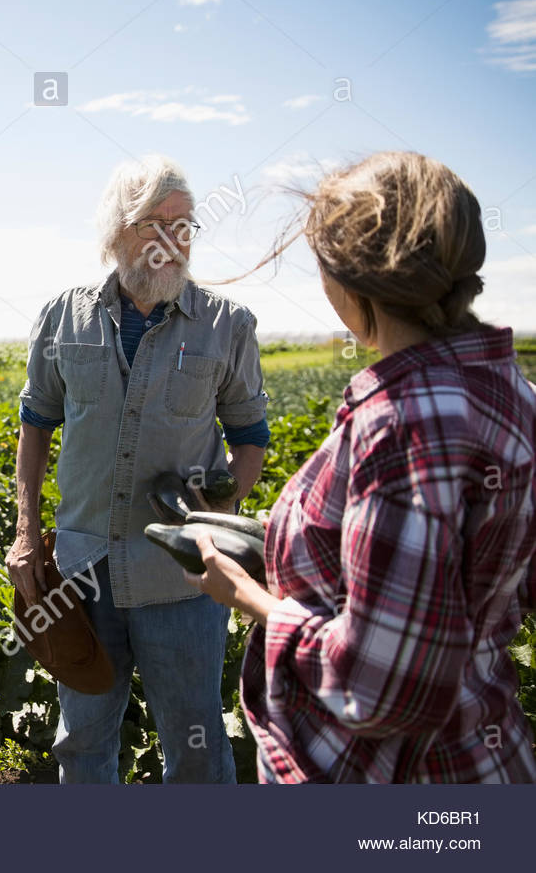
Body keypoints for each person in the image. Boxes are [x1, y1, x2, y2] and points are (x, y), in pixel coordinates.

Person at [189, 151, 536, 782]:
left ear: (351, 281)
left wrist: (249, 597)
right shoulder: (507, 387)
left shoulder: (402, 424)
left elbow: (382, 688)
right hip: (482, 752)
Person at [7, 154, 271, 783]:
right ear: (118, 231)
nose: (174, 240)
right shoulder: (62, 319)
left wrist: (219, 505)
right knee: (82, 741)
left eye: (186, 226)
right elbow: (35, 426)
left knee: (196, 746)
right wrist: (24, 534)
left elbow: (251, 438)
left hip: (182, 580)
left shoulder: (225, 325)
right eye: (158, 222)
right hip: (82, 569)